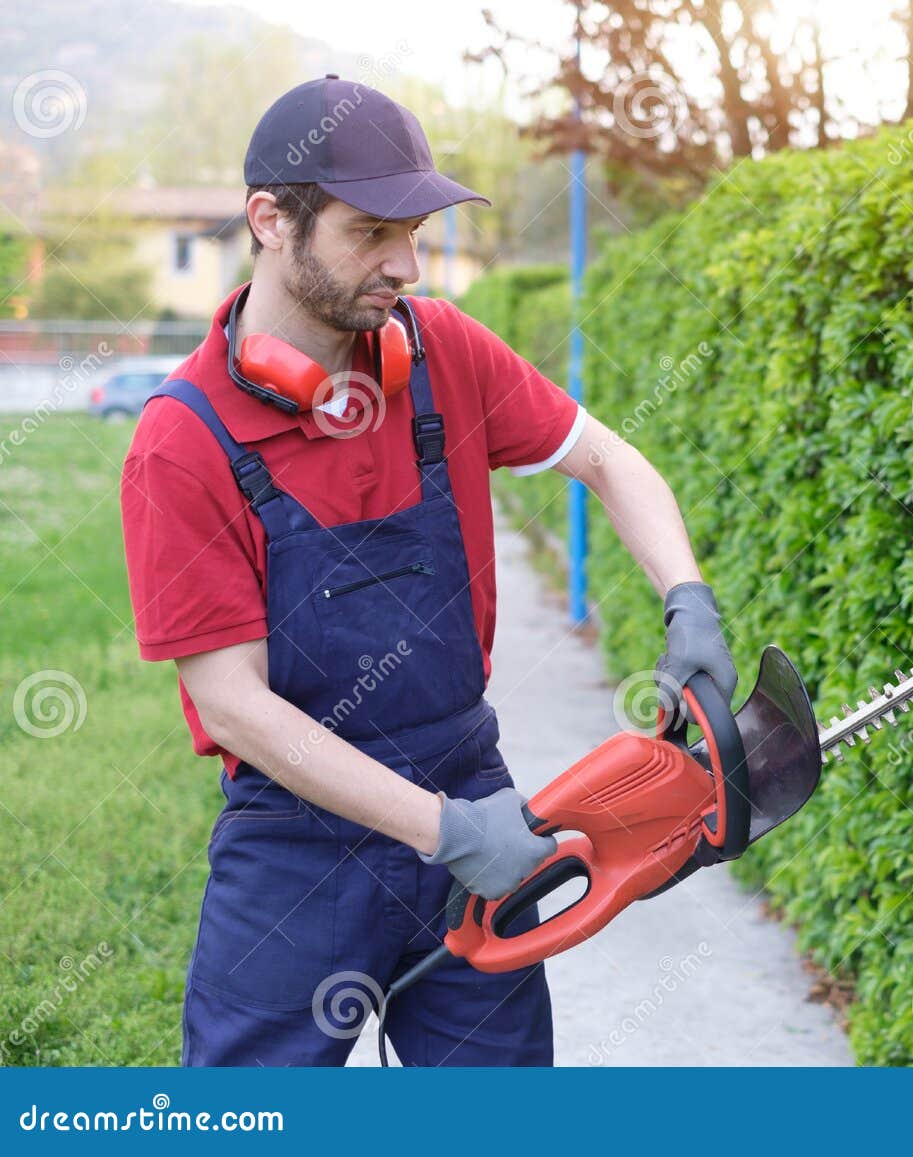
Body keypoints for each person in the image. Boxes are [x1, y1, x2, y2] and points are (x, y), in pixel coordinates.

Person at [117, 75, 736, 1066]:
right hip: (298, 854)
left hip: (470, 788)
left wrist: (688, 600)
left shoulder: (440, 350)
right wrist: (443, 832)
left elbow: (608, 460)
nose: (405, 264)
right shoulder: (182, 440)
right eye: (371, 232)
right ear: (270, 220)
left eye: (414, 231)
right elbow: (233, 705)